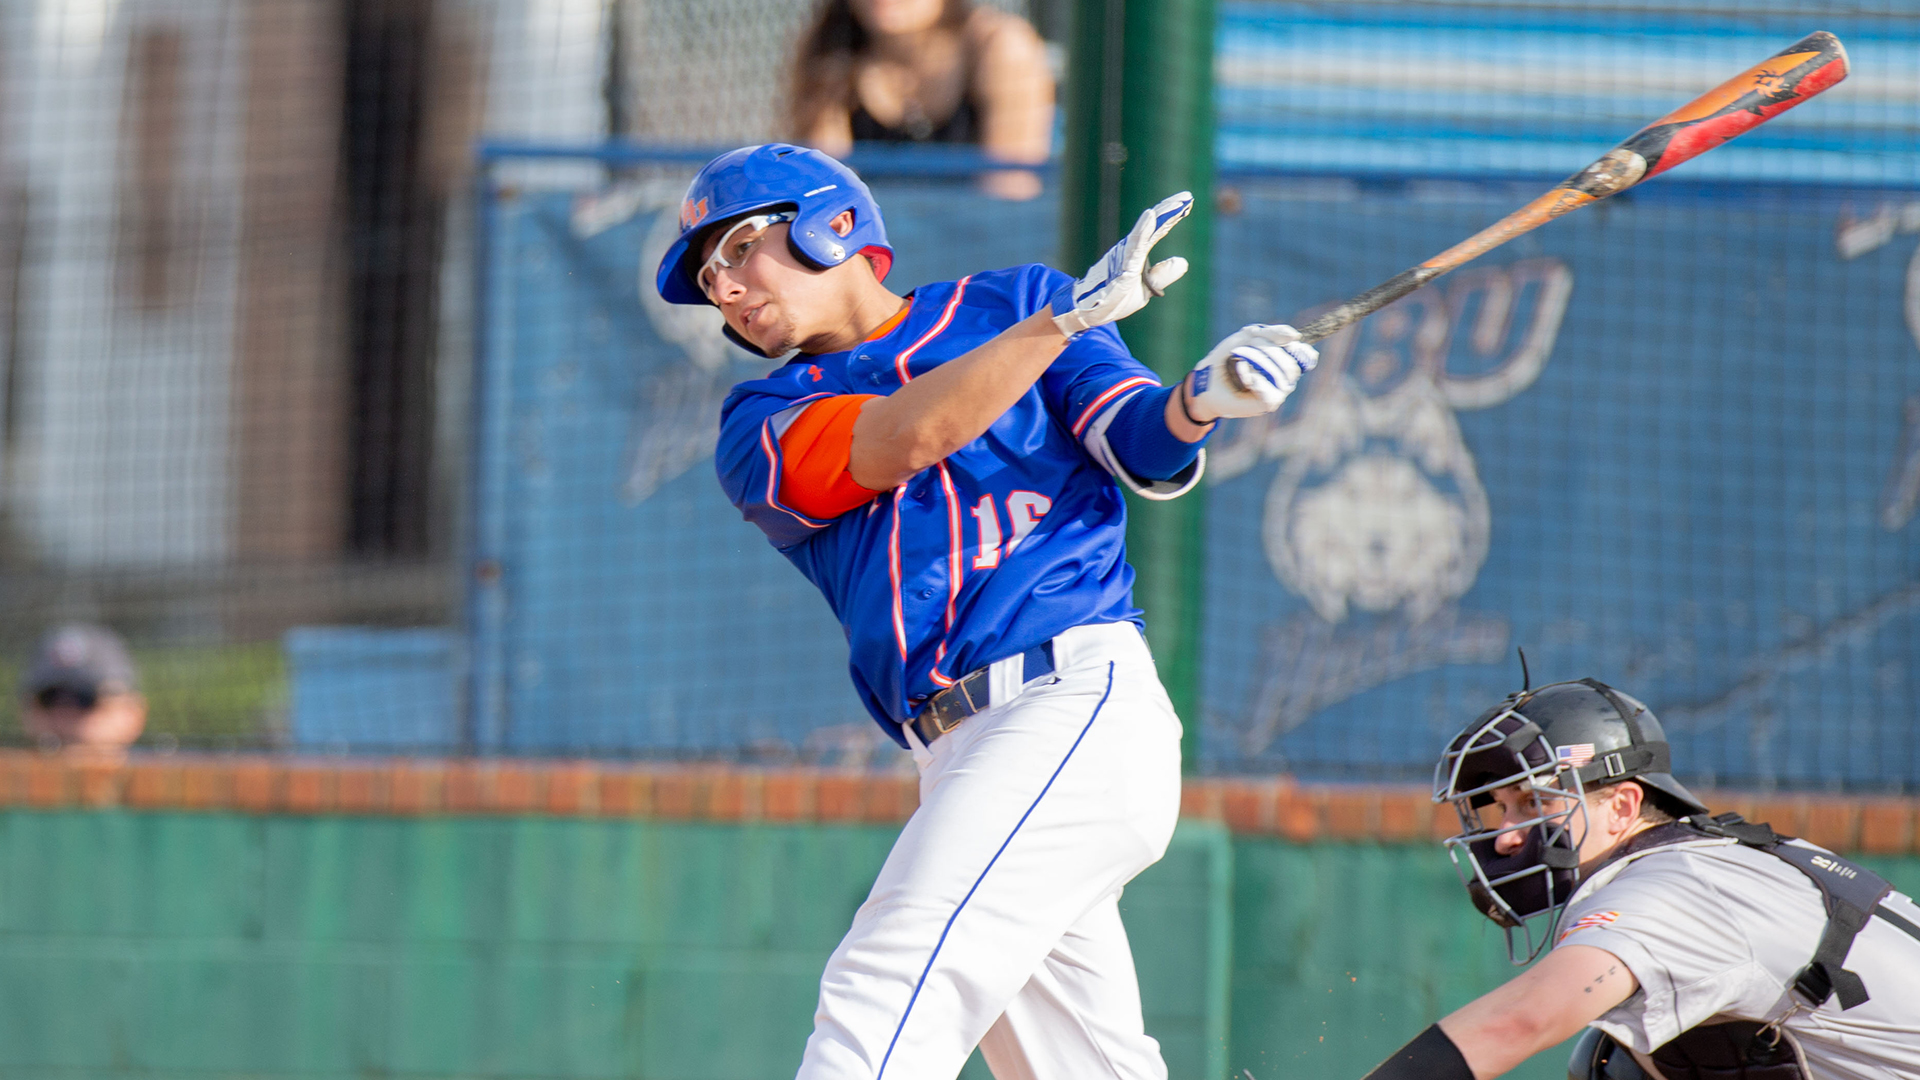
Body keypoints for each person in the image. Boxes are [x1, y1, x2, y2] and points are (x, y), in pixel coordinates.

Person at [654, 142, 1316, 1079]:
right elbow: (904, 436)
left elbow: (1139, 446)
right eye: (704, 275)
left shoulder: (1010, 306)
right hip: (958, 750)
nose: (720, 288)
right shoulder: (757, 419)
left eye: (732, 251)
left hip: (1068, 705)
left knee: (886, 987)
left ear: (831, 224)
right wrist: (1060, 324)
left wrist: (1201, 401)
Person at [1350, 677, 1920, 1080]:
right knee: (1628, 1053)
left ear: (1624, 806)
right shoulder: (1720, 858)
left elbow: (1520, 1021)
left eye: (1533, 801)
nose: (1506, 834)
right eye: (1502, 809)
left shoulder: (1671, 886)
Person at [789, 0, 1053, 199]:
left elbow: (1011, 190)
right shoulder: (830, 51)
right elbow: (824, 194)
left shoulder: (998, 45)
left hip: (978, 247)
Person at [19, 623, 147, 759]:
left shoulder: (164, 773)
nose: (65, 713)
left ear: (132, 713)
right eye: (50, 699)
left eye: (84, 699)